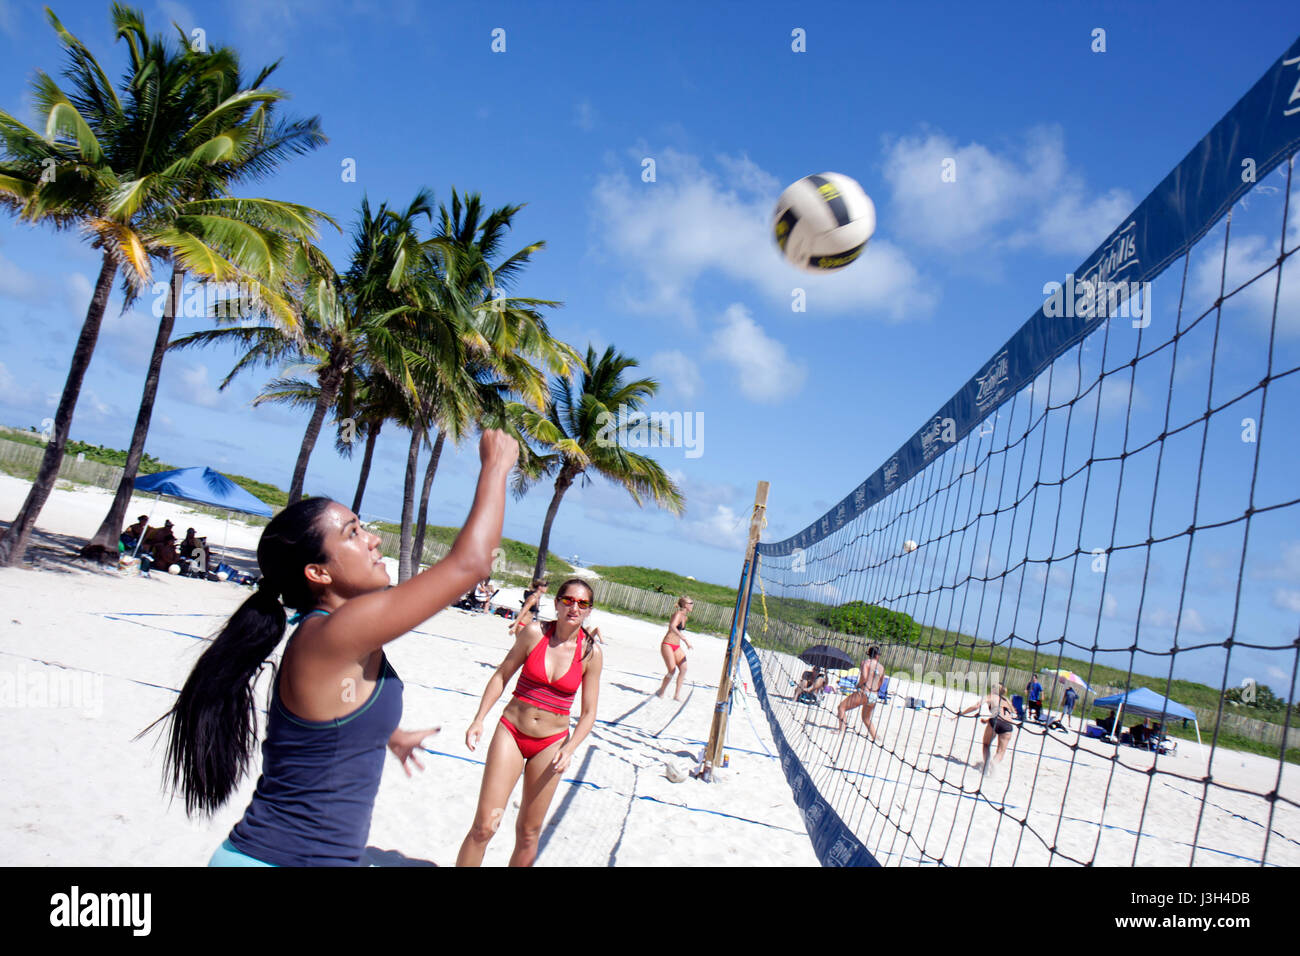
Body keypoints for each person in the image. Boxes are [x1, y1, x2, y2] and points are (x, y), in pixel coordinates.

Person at [150, 430, 519, 866]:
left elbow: (330, 718)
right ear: (318, 573)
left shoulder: (337, 636)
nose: (373, 539)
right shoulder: (332, 634)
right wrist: (495, 466)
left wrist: (385, 733)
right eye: (353, 532)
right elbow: (471, 563)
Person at [458, 578, 602, 867]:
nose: (574, 607)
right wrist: (479, 719)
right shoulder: (534, 634)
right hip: (511, 731)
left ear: (589, 610)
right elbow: (501, 675)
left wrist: (570, 747)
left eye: (582, 603)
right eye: (568, 600)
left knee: (528, 832)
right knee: (485, 826)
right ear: (558, 603)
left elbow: (588, 714)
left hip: (551, 743)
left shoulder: (591, 653)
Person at [953, 684, 1017, 777]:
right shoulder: (1007, 701)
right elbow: (1004, 715)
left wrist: (961, 714)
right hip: (1008, 726)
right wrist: (987, 720)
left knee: (986, 745)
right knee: (1001, 751)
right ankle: (994, 763)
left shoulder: (991, 696)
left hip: (995, 721)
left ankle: (986, 765)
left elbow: (976, 706)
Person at [837, 646, 884, 738]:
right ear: (878, 655)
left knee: (841, 707)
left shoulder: (866, 663)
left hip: (864, 692)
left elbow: (864, 677)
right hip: (874, 695)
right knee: (866, 718)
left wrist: (858, 685)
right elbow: (881, 682)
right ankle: (875, 737)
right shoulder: (881, 667)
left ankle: (841, 731)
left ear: (869, 654)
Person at [656, 596, 694, 700]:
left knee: (683, 668)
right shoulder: (678, 614)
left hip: (676, 646)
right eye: (691, 603)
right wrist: (685, 639)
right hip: (667, 644)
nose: (692, 605)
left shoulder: (685, 617)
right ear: (686, 605)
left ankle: (676, 695)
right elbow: (672, 626)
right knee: (672, 670)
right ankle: (661, 691)